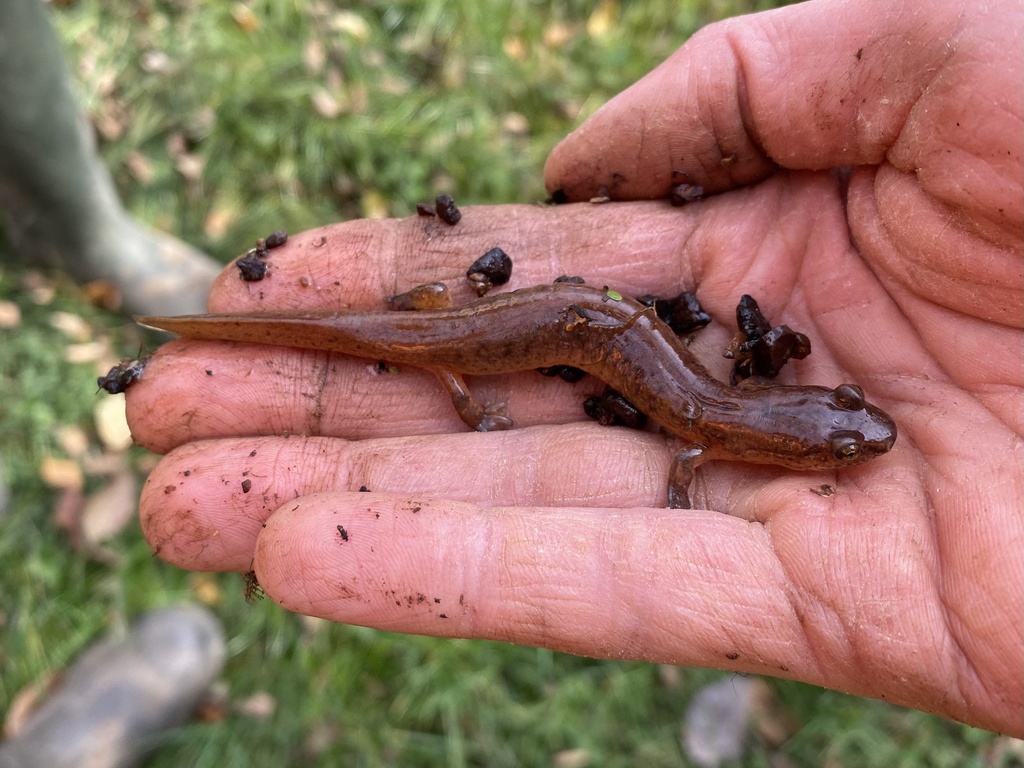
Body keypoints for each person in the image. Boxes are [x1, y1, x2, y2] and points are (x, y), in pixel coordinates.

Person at [124, 0, 1023, 736]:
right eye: (845, 430)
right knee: (432, 353)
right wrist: (666, 491)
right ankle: (241, 329)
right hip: (490, 340)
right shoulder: (707, 431)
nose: (853, 437)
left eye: (844, 436)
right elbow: (689, 455)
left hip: (501, 326)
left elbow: (700, 446)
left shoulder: (724, 417)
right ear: (802, 437)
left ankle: (314, 332)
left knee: (435, 339)